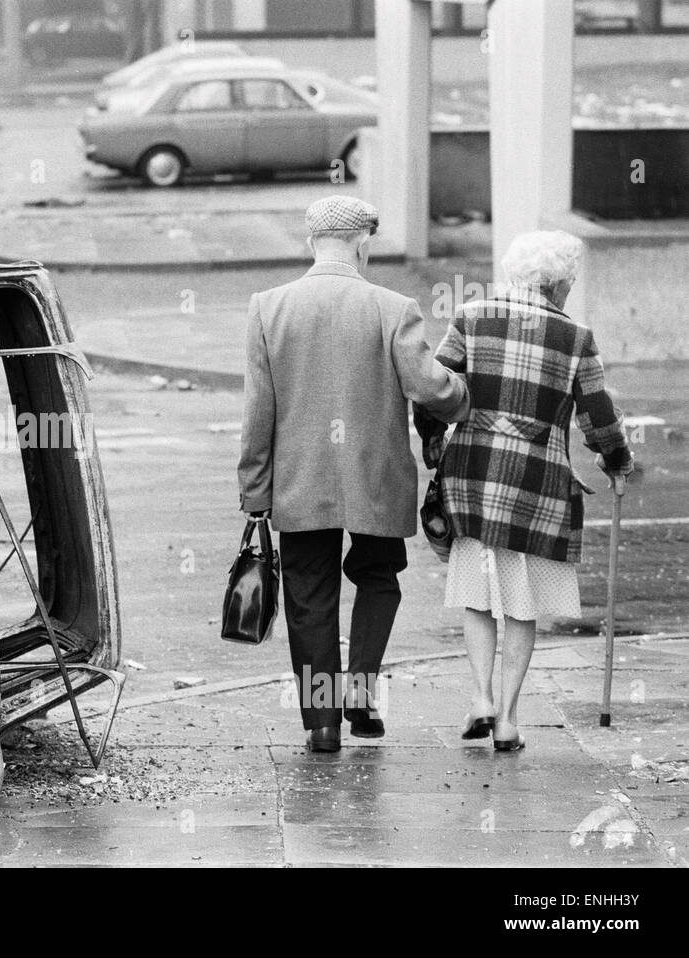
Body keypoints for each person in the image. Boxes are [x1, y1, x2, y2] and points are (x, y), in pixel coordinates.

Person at [239, 196, 469, 753]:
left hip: (300, 480)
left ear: (310, 242)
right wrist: (465, 396)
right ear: (363, 243)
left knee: (309, 596)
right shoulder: (393, 306)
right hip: (376, 476)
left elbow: (259, 411)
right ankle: (361, 692)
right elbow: (428, 387)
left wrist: (255, 488)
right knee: (377, 578)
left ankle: (322, 723)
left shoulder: (268, 307)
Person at [416, 230, 634, 752]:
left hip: (473, 472)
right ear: (558, 283)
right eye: (570, 282)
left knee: (475, 594)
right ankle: (509, 719)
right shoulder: (575, 337)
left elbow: (434, 388)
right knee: (521, 603)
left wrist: (432, 442)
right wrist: (617, 460)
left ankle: (480, 698)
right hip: (536, 484)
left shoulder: (471, 316)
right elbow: (598, 416)